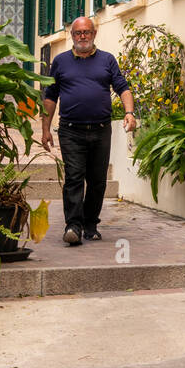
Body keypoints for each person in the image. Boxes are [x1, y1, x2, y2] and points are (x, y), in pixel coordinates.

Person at [41, 17, 137, 246]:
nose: (82, 36)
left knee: (97, 181)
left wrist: (129, 112)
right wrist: (45, 129)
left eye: (86, 32)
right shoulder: (61, 62)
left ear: (94, 34)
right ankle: (73, 225)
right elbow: (51, 96)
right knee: (74, 178)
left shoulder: (107, 60)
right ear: (72, 36)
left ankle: (90, 224)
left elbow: (122, 88)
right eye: (77, 33)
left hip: (101, 130)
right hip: (70, 130)